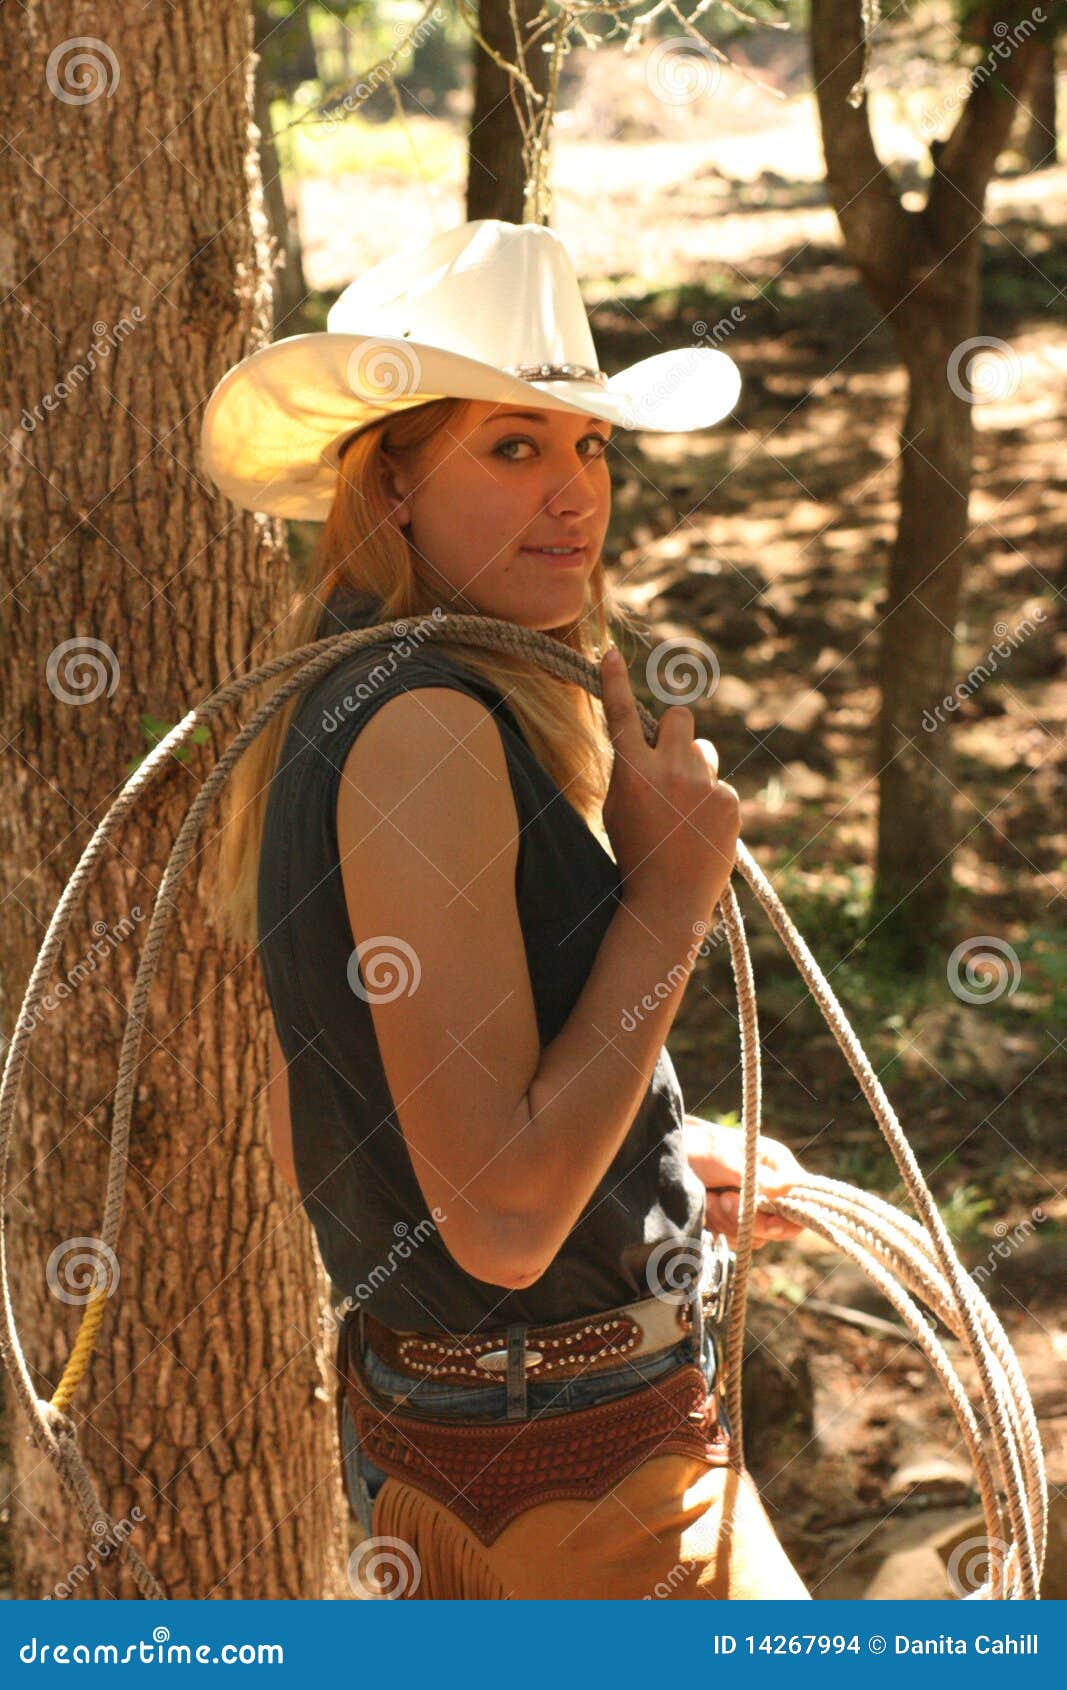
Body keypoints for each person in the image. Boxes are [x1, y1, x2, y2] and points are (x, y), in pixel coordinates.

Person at [201, 218, 810, 1599]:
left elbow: (355, 1111)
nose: (576, 493)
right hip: (581, 1482)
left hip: (484, 1450)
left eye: (589, 445)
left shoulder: (355, 698)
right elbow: (498, 1222)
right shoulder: (425, 725)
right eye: (514, 445)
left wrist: (645, 1165)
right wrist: (668, 895)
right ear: (394, 482)